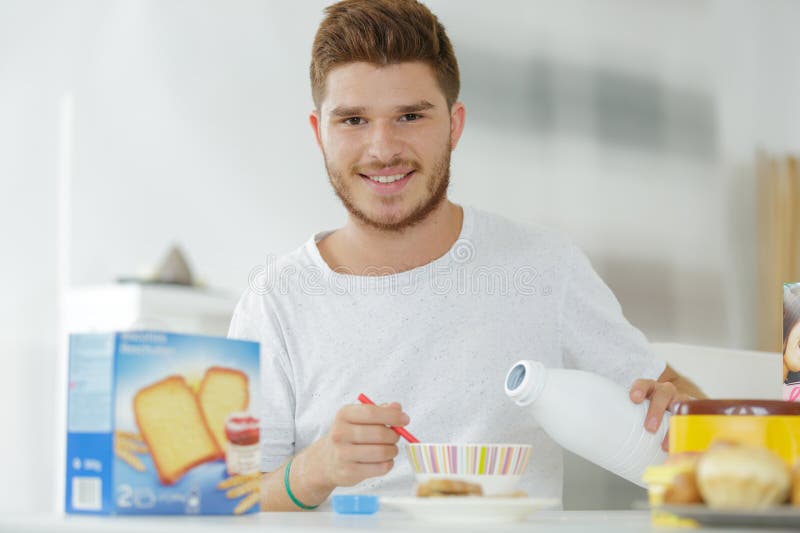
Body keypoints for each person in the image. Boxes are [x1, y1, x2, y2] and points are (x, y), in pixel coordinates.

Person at [228, 0, 705, 511]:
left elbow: (677, 403)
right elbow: (229, 500)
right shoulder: (275, 300)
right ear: (319, 132)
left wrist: (685, 412)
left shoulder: (545, 267)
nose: (382, 148)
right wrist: (314, 471)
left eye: (410, 115)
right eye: (353, 120)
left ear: (454, 125)